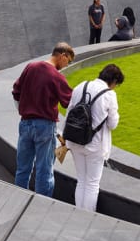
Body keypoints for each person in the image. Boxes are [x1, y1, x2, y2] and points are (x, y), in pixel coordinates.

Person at [12, 42, 74, 197]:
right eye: (69, 61)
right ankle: (42, 206)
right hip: (45, 126)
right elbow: (69, 102)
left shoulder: (30, 67)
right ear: (63, 56)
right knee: (44, 170)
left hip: (25, 123)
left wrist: (25, 109)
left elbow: (16, 91)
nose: (67, 65)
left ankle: (19, 200)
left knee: (22, 169)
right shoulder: (56, 76)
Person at [65, 64, 124, 211]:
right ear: (114, 80)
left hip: (75, 140)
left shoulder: (80, 86)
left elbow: (69, 113)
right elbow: (113, 124)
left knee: (82, 181)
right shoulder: (109, 95)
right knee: (92, 184)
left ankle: (79, 213)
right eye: (116, 84)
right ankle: (87, 217)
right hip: (95, 145)